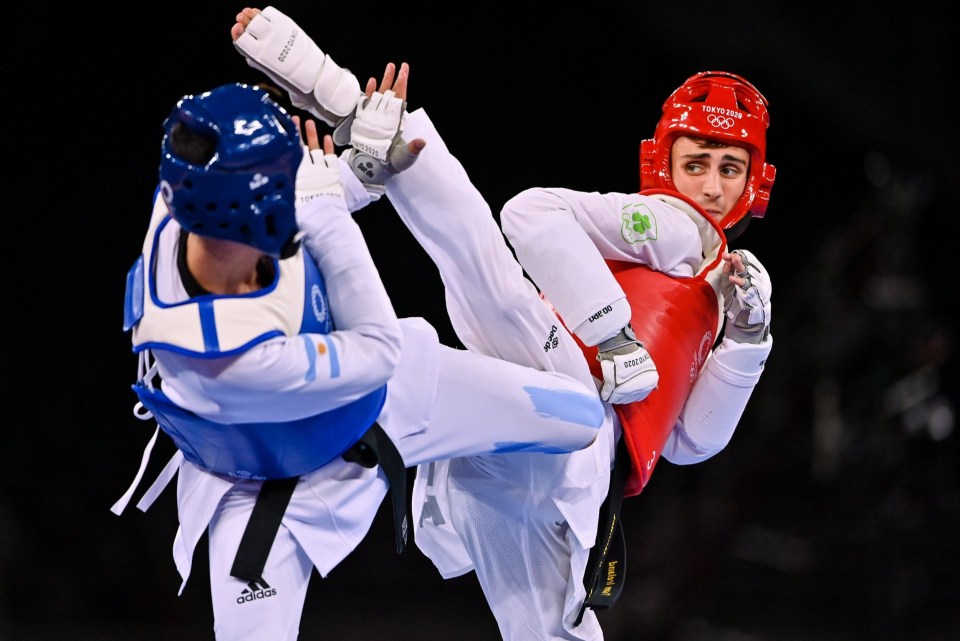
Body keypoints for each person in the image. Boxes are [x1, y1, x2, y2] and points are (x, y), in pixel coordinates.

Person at [229, 7, 773, 640]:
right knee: (485, 280)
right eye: (696, 164)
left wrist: (745, 340)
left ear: (754, 183)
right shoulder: (671, 226)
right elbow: (532, 215)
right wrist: (614, 337)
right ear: (665, 166)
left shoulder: (731, 287)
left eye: (728, 169)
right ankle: (346, 107)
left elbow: (689, 442)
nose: (708, 185)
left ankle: (348, 111)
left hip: (565, 457)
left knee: (474, 278)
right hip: (560, 413)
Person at [111, 73, 607, 640]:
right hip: (258, 481)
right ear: (244, 208)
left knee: (581, 420)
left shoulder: (189, 196)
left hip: (385, 399)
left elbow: (309, 201)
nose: (291, 185)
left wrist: (360, 170)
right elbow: (376, 349)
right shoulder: (224, 356)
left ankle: (462, 477)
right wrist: (326, 211)